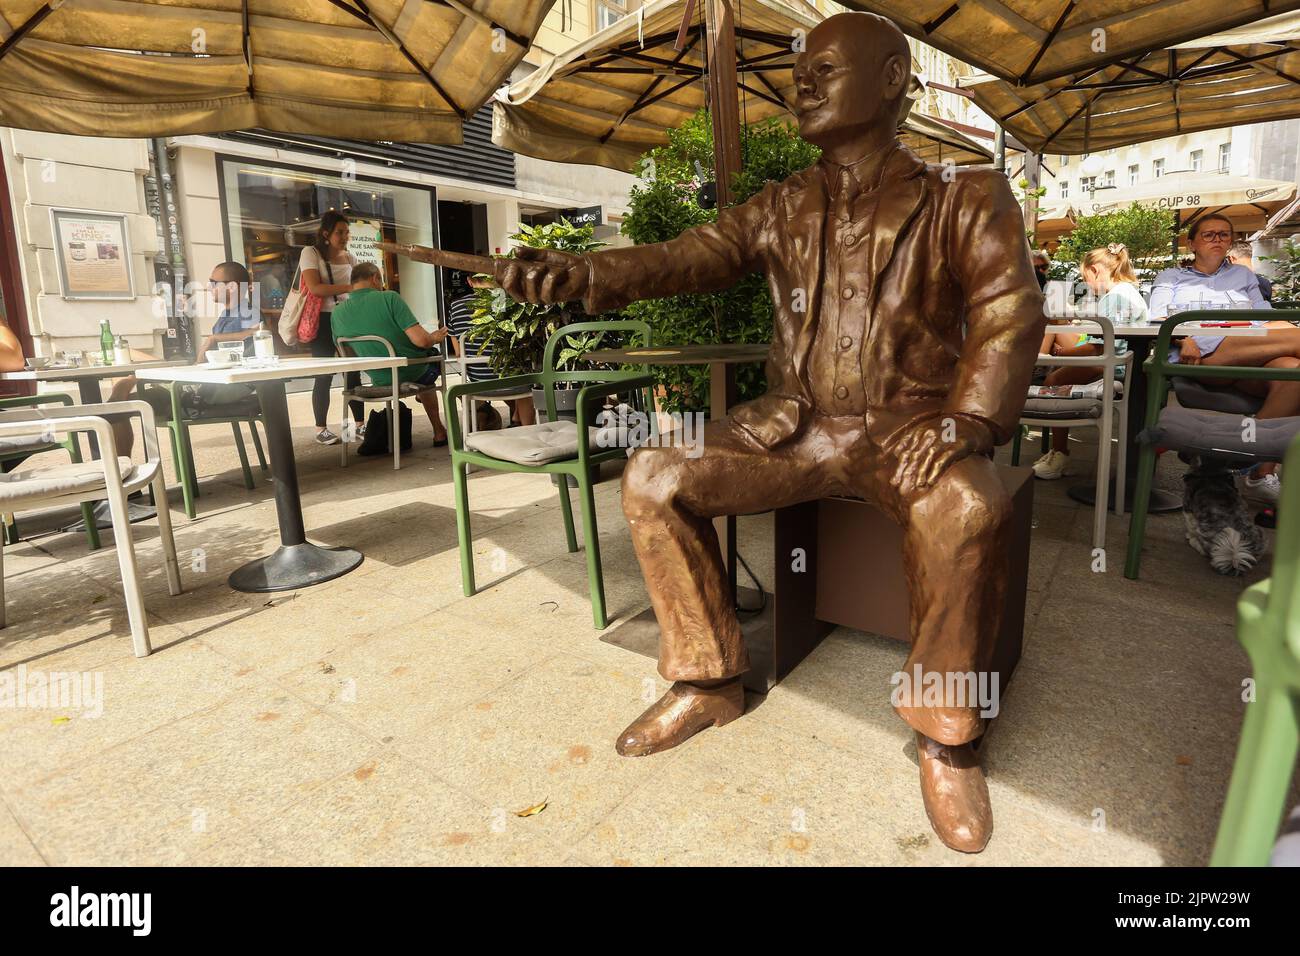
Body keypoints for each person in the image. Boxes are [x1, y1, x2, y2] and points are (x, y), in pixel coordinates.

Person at [478, 11, 1045, 853]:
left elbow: (1009, 309)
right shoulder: (779, 206)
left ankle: (948, 734)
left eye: (824, 67)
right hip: (796, 428)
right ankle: (708, 679)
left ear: (891, 80)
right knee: (653, 476)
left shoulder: (965, 195)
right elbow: (676, 259)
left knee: (967, 511)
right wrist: (579, 272)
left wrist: (969, 419)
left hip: (909, 429)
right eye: (798, 72)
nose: (801, 83)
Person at [1150, 214, 1289, 502]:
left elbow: (1264, 317)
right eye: (1209, 235)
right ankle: (1239, 456)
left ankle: (1259, 471)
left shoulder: (1244, 276)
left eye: (1224, 235)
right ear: (1192, 244)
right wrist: (1182, 337)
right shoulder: (1171, 277)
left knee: (1293, 373)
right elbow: (1158, 317)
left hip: (1251, 349)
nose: (1218, 240)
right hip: (1204, 353)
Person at [106, 261, 261, 456]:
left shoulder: (246, 312)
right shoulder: (229, 313)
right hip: (201, 387)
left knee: (118, 403)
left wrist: (214, 338)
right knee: (120, 393)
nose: (208, 287)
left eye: (213, 282)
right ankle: (120, 469)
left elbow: (260, 332)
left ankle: (120, 474)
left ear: (231, 286)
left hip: (205, 396)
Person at [1031, 243, 1147, 480]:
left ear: (1095, 271)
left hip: (1114, 363)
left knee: (1054, 380)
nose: (1089, 285)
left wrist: (1061, 356)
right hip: (1122, 360)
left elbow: (1099, 347)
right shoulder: (1128, 292)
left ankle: (1060, 453)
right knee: (1058, 344)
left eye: (1086, 277)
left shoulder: (1114, 298)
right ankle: (1039, 365)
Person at [330, 263, 448, 445]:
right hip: (411, 373)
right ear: (375, 278)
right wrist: (435, 336)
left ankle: (420, 398)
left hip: (378, 380)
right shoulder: (389, 298)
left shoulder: (337, 312)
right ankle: (439, 431)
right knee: (432, 360)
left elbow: (346, 354)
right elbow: (421, 341)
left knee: (421, 364)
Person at [299, 211, 363, 445]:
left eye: (347, 232)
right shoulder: (311, 253)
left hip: (346, 319)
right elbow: (315, 288)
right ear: (325, 233)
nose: (345, 236)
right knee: (324, 375)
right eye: (339, 232)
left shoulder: (350, 258)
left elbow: (360, 286)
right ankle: (321, 428)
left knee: (353, 372)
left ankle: (356, 426)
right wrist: (350, 287)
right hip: (323, 320)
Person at [445, 288, 536, 427]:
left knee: (508, 376)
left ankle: (514, 417)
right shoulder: (512, 300)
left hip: (479, 382)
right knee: (519, 376)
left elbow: (458, 353)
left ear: (470, 281)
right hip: (515, 382)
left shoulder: (456, 306)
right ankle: (528, 431)